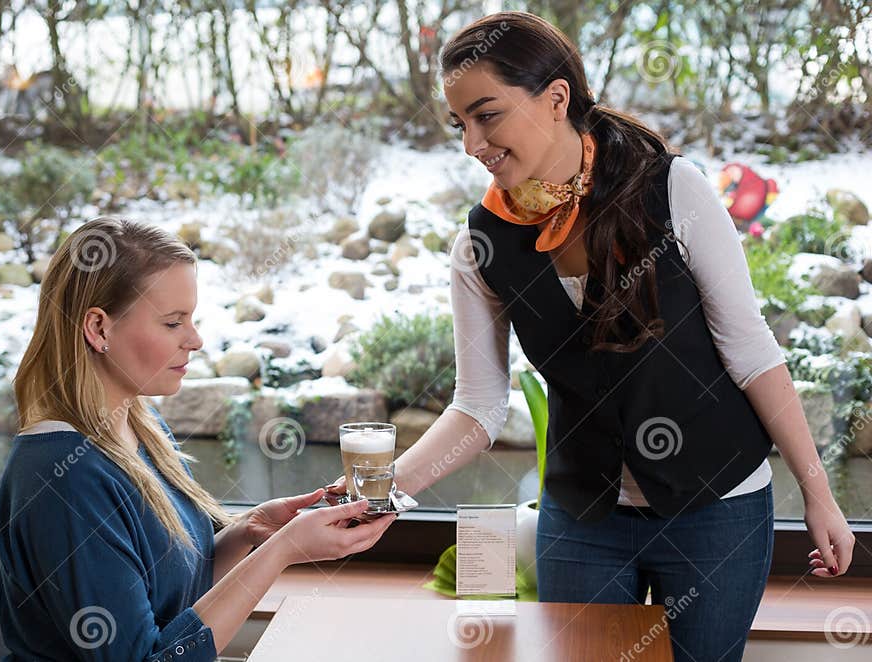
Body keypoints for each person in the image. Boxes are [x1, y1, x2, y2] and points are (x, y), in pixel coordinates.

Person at [328, 12, 854, 661]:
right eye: (459, 124)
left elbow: (752, 354)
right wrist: (383, 496)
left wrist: (818, 494)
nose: (471, 143)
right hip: (583, 517)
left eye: (486, 115)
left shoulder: (672, 189)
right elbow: (478, 408)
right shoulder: (480, 245)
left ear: (556, 98)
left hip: (716, 507)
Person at [0, 217, 396, 661]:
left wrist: (251, 533)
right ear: (99, 329)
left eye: (192, 319)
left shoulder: (140, 429)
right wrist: (282, 551)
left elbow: (174, 594)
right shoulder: (64, 480)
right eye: (173, 323)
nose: (197, 340)